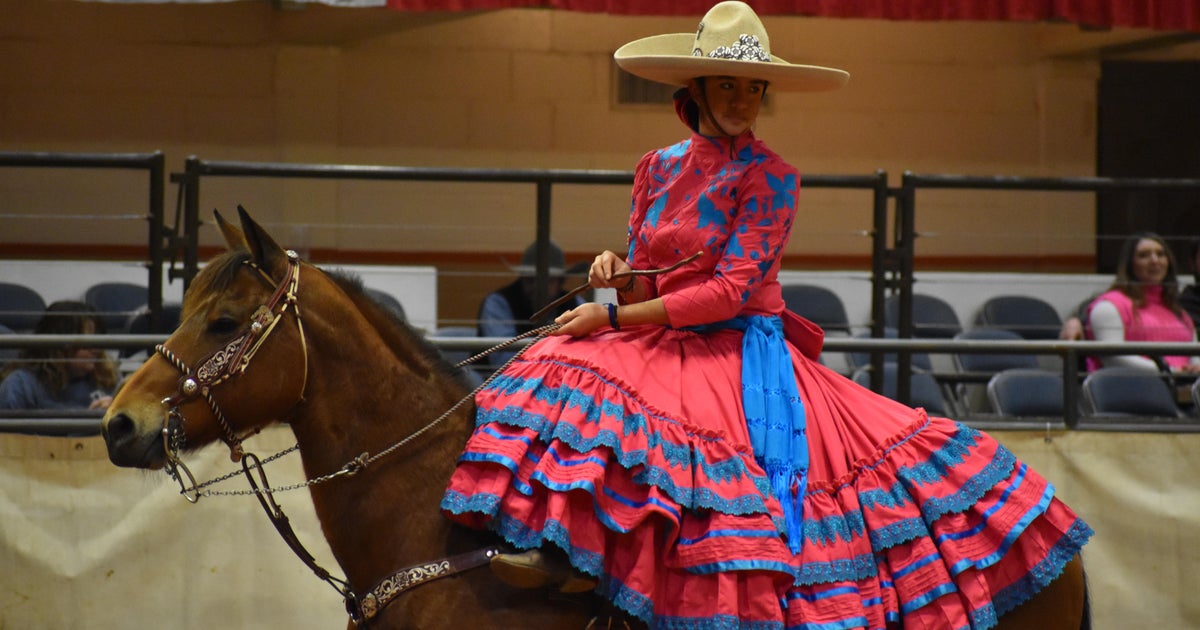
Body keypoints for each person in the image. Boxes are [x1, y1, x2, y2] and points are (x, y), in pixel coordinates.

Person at [440, 3, 1092, 627]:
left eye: (753, 87)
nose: (741, 100)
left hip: (735, 346)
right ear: (697, 88)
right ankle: (567, 553)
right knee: (560, 362)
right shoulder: (655, 168)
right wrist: (614, 275)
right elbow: (645, 281)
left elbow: (726, 294)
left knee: (697, 453)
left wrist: (610, 321)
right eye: (727, 84)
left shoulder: (772, 176)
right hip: (662, 332)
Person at [1083, 232, 1200, 373]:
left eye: (1160, 254)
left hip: (1186, 384)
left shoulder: (1179, 312)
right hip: (1132, 384)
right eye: (1144, 255)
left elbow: (1195, 355)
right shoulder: (1109, 306)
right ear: (1129, 264)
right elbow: (1113, 357)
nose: (1155, 260)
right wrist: (1170, 371)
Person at [476, 240, 584, 367]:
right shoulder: (499, 302)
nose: (537, 286)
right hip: (496, 376)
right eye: (530, 279)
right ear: (522, 278)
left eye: (546, 281)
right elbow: (503, 359)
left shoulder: (575, 303)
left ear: (560, 282)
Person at [0, 301, 117, 410]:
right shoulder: (21, 386)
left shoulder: (105, 378)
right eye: (87, 343)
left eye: (98, 341)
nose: (96, 350)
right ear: (60, 346)